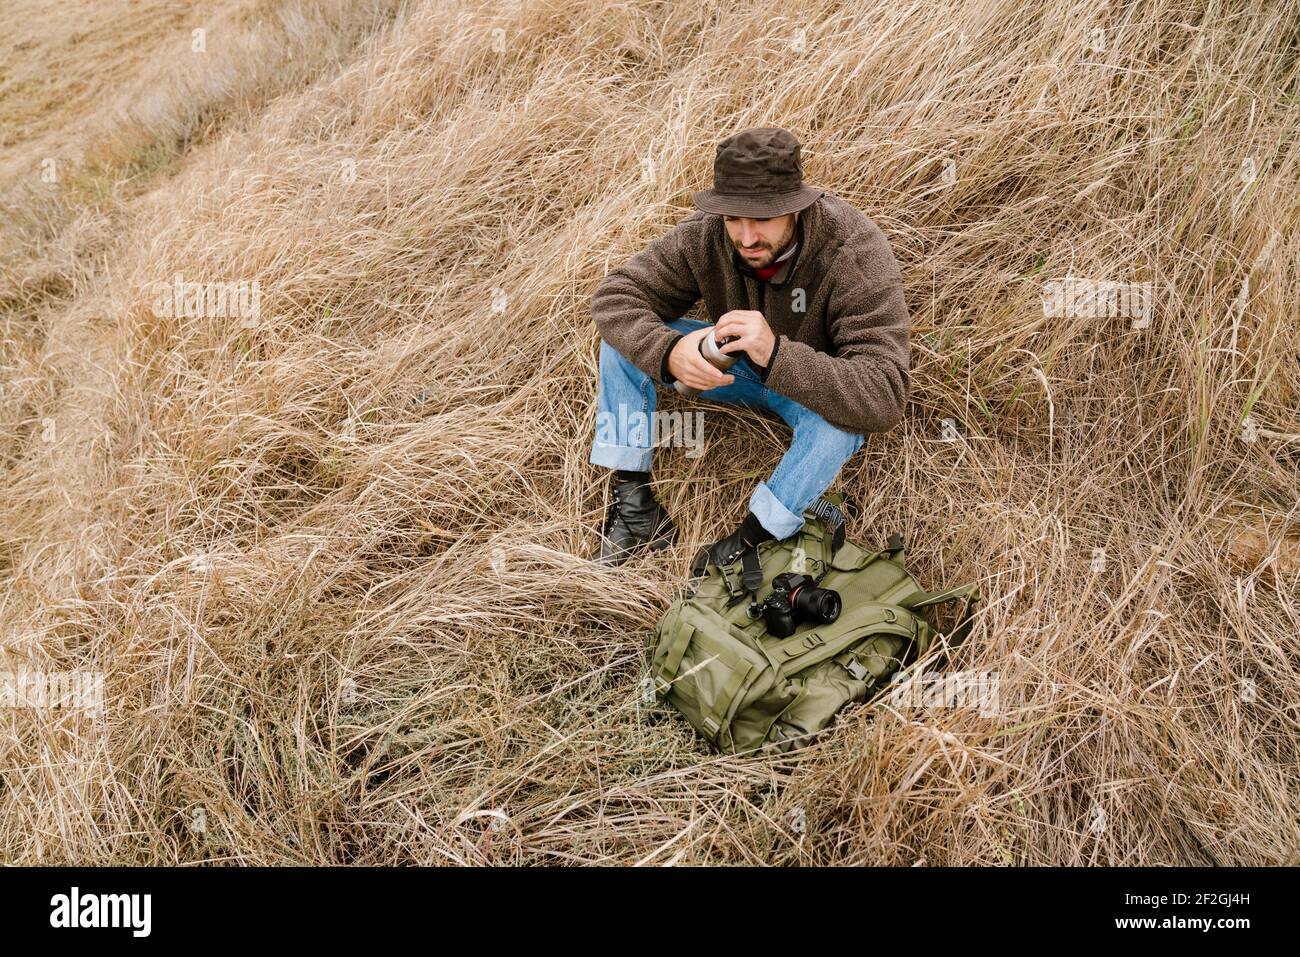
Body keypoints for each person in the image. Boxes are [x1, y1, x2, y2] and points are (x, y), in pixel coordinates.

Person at [590, 126, 910, 576]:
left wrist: (777, 353)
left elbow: (885, 395)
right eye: (733, 218)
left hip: (810, 392)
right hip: (729, 369)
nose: (745, 236)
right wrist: (669, 352)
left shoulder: (853, 251)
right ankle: (636, 508)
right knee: (621, 342)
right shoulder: (707, 236)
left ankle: (753, 539)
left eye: (761, 218)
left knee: (840, 430)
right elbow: (614, 297)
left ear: (795, 208)